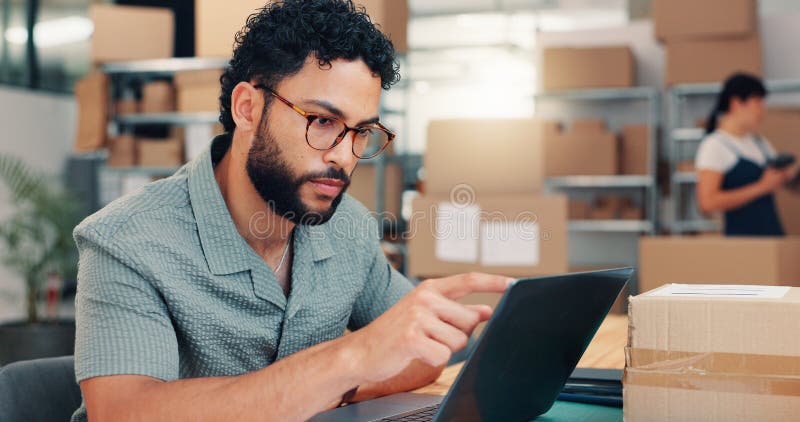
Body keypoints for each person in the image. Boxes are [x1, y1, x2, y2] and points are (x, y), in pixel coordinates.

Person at [70, 1, 512, 421]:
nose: (344, 156)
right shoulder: (125, 241)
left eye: (361, 132)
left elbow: (421, 354)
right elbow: (123, 414)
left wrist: (341, 385)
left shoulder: (349, 227)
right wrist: (351, 358)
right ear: (248, 108)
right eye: (322, 121)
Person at [695, 73, 795, 236]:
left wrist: (785, 177)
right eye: (758, 103)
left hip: (772, 235)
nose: (762, 111)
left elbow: (780, 180)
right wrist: (761, 187)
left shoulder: (760, 143)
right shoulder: (714, 146)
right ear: (736, 103)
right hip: (742, 243)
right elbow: (707, 202)